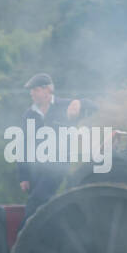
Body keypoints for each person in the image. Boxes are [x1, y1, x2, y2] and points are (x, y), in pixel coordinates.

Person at [18, 73, 96, 227]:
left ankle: (22, 237)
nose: (32, 93)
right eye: (31, 90)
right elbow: (23, 146)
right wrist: (23, 176)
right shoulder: (29, 114)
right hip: (35, 169)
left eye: (35, 90)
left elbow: (94, 107)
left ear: (47, 90)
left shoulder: (64, 105)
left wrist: (79, 102)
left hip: (58, 166)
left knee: (36, 202)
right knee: (40, 204)